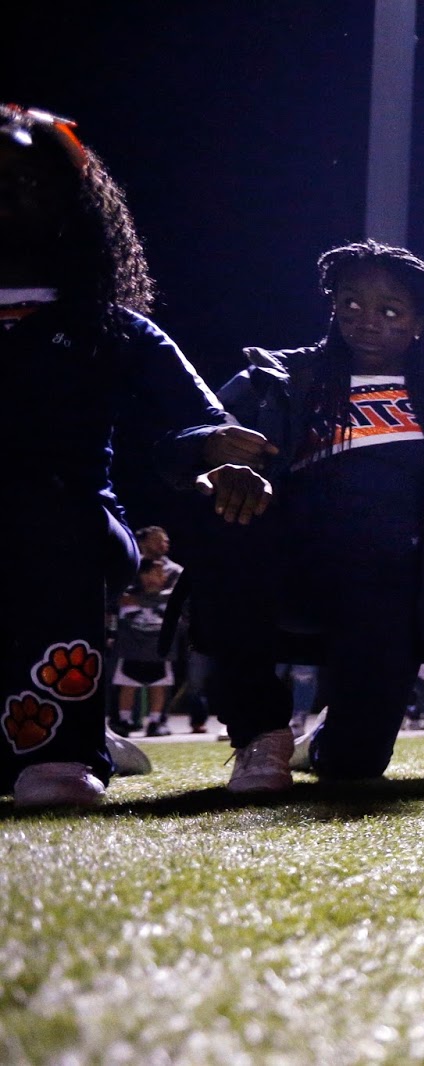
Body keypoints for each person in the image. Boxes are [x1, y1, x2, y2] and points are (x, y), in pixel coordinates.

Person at [0, 105, 267, 807]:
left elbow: (194, 421)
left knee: (55, 530)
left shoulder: (110, 326)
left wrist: (218, 451)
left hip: (67, 520)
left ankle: (60, 747)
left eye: (26, 179)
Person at [190, 240, 424, 791]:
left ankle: (331, 737)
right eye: (349, 303)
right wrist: (221, 467)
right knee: (229, 517)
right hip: (283, 566)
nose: (365, 321)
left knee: (355, 767)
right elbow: (199, 437)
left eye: (389, 311)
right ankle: (262, 733)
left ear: (419, 324)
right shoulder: (272, 380)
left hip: (384, 588)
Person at [111, 559, 176, 736]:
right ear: (143, 576)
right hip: (132, 650)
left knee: (158, 686)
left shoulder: (169, 597)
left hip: (157, 651)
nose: (161, 576)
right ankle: (124, 720)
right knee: (128, 685)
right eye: (156, 572)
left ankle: (155, 722)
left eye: (162, 573)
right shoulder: (126, 596)